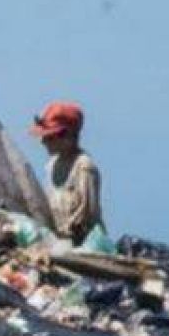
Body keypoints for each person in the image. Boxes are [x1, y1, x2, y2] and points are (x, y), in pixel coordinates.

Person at [32, 101, 105, 245]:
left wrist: (65, 238)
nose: (43, 142)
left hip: (82, 245)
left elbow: (85, 216)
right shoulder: (52, 165)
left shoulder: (84, 167)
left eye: (49, 137)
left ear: (68, 137)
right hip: (57, 242)